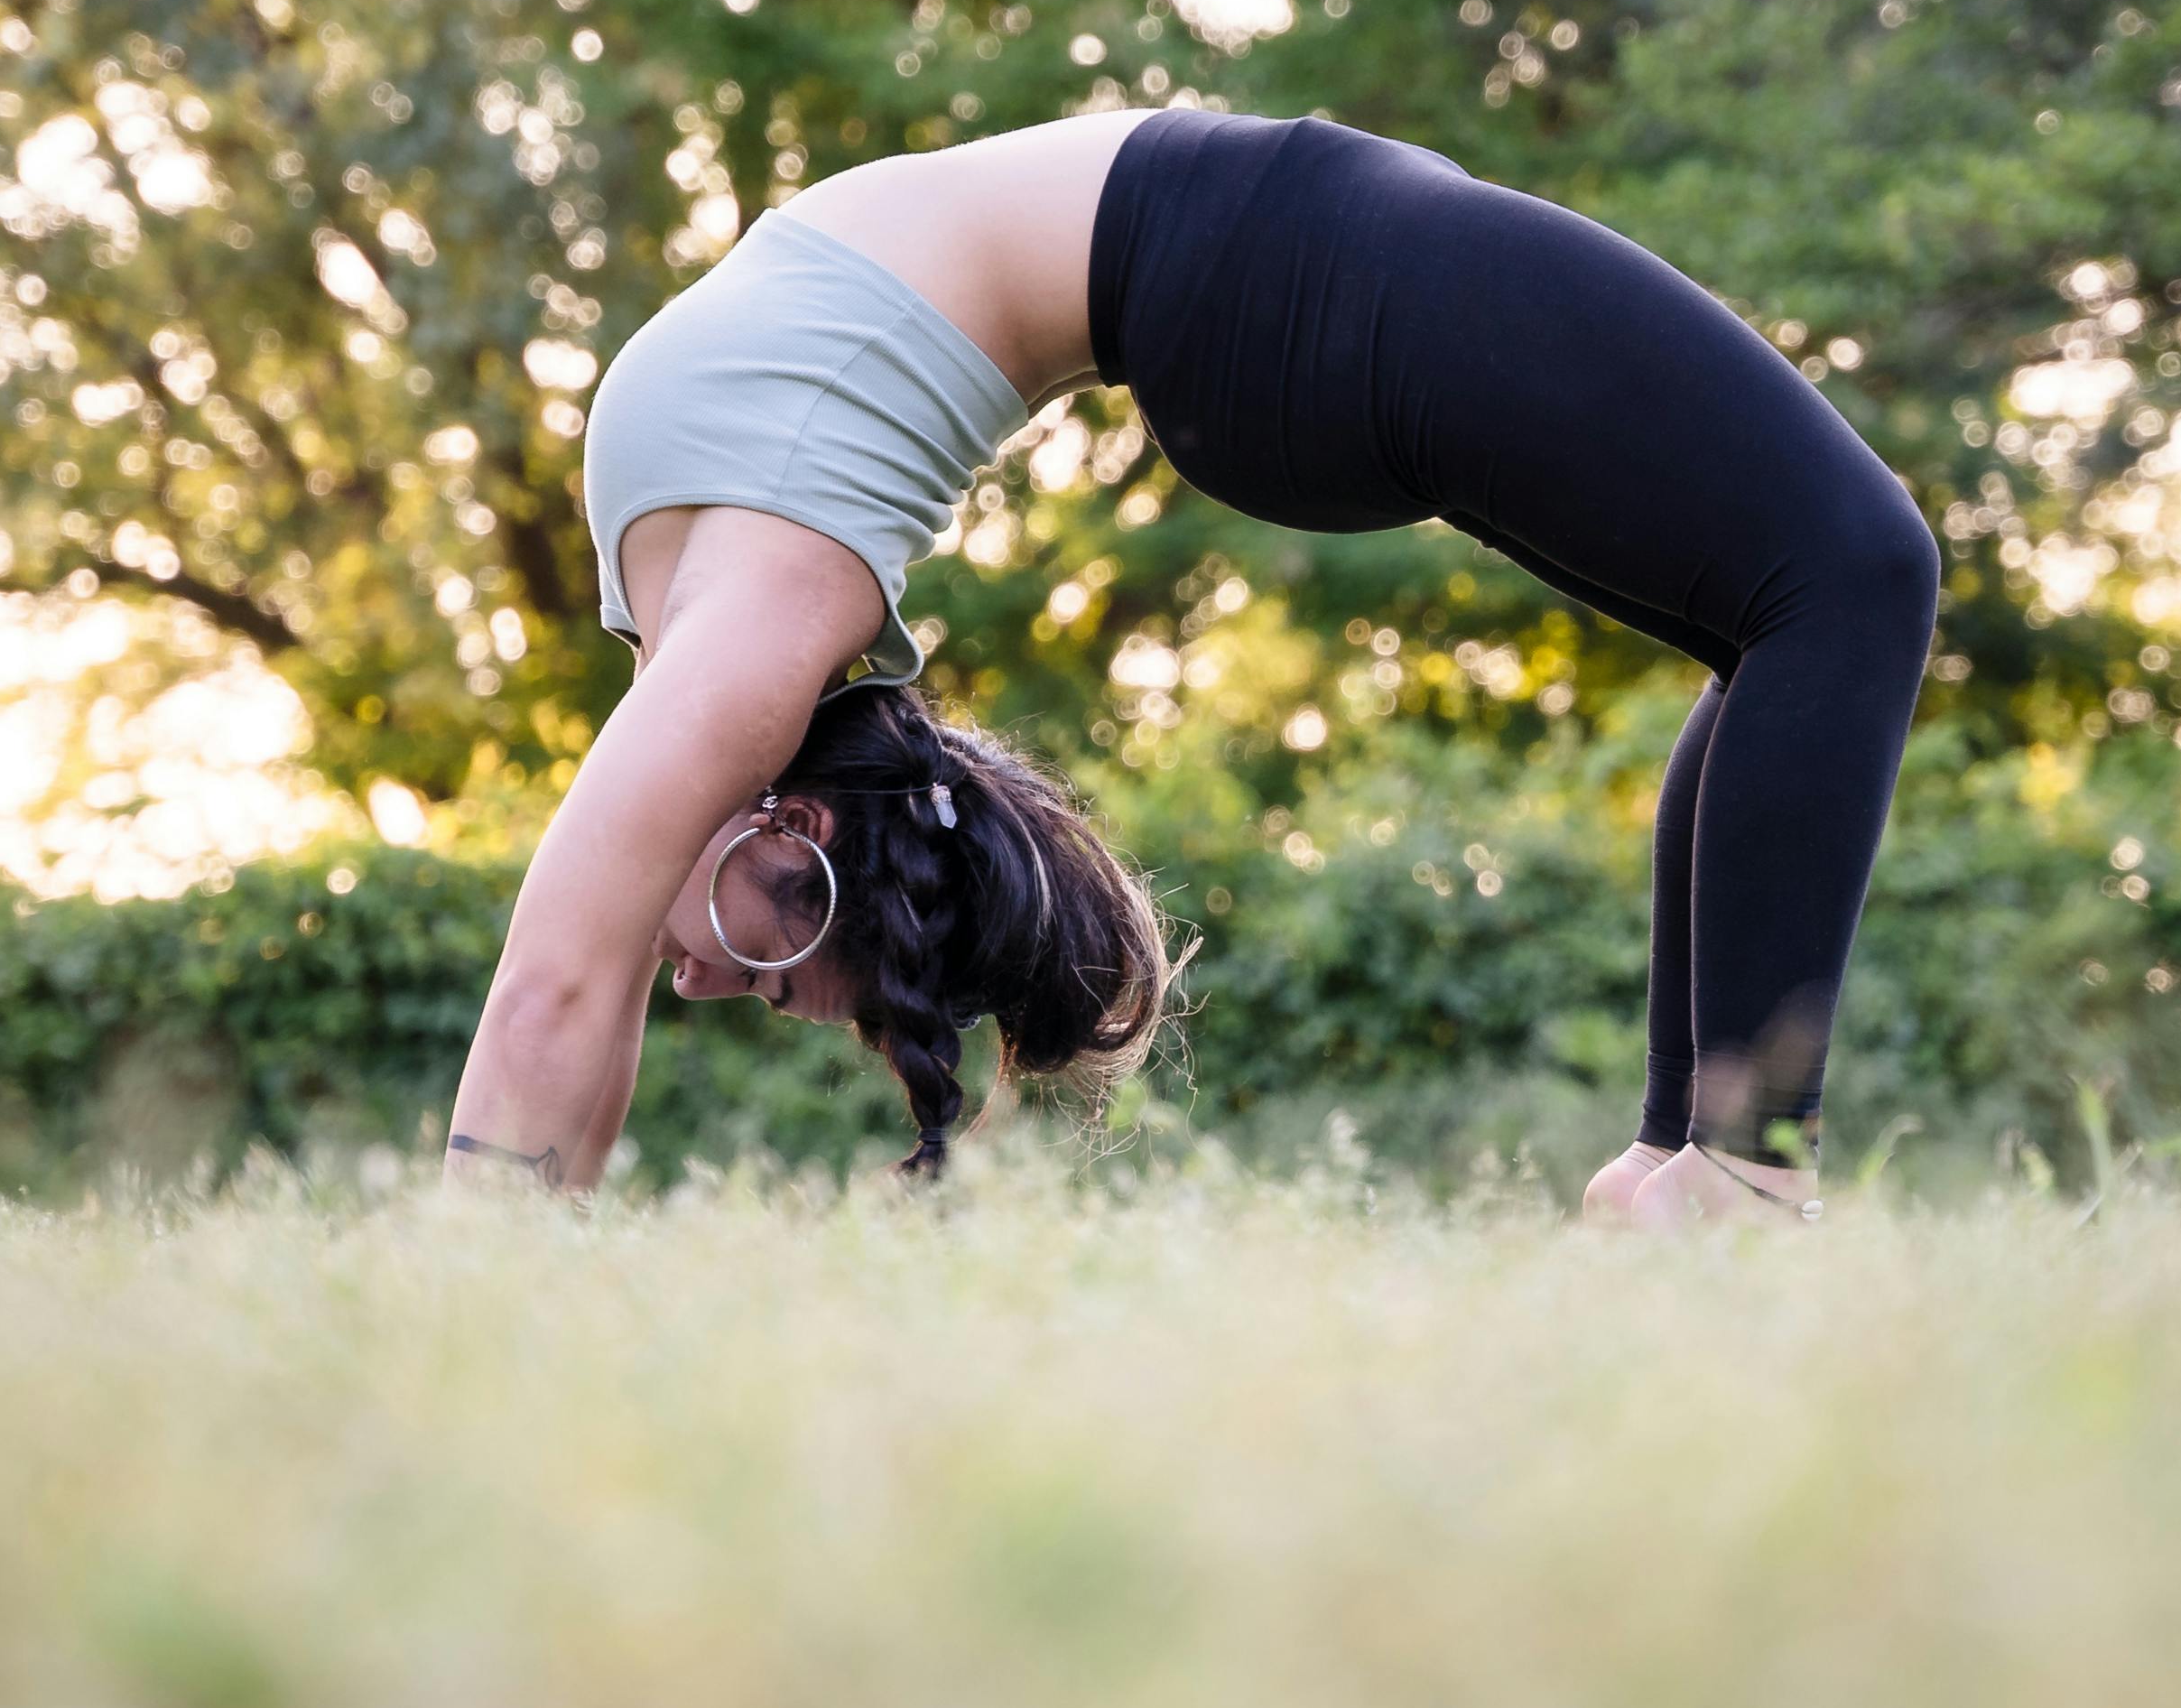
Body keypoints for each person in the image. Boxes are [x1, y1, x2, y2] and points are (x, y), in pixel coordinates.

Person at [441, 106, 1940, 1221]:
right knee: (1850, 574)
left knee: (1803, 601)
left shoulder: (739, 638)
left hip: (1253, 273)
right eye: (766, 978)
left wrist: (481, 1307)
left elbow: (563, 990)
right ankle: (1729, 1181)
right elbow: (575, 995)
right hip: (1266, 276)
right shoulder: (751, 619)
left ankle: (1690, 1173)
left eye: (767, 955)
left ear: (795, 824)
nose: (703, 976)